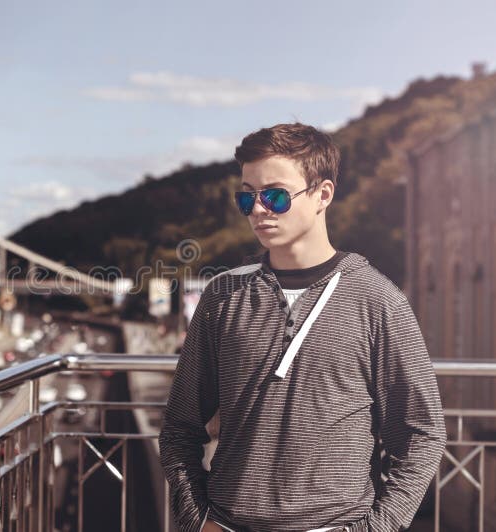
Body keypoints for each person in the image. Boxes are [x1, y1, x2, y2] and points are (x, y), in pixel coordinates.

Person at [158, 123, 446, 532]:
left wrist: (374, 529)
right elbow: (179, 428)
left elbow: (422, 435)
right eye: (247, 197)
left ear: (322, 195)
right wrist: (197, 520)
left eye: (275, 196)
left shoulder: (378, 301)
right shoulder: (222, 297)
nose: (259, 210)